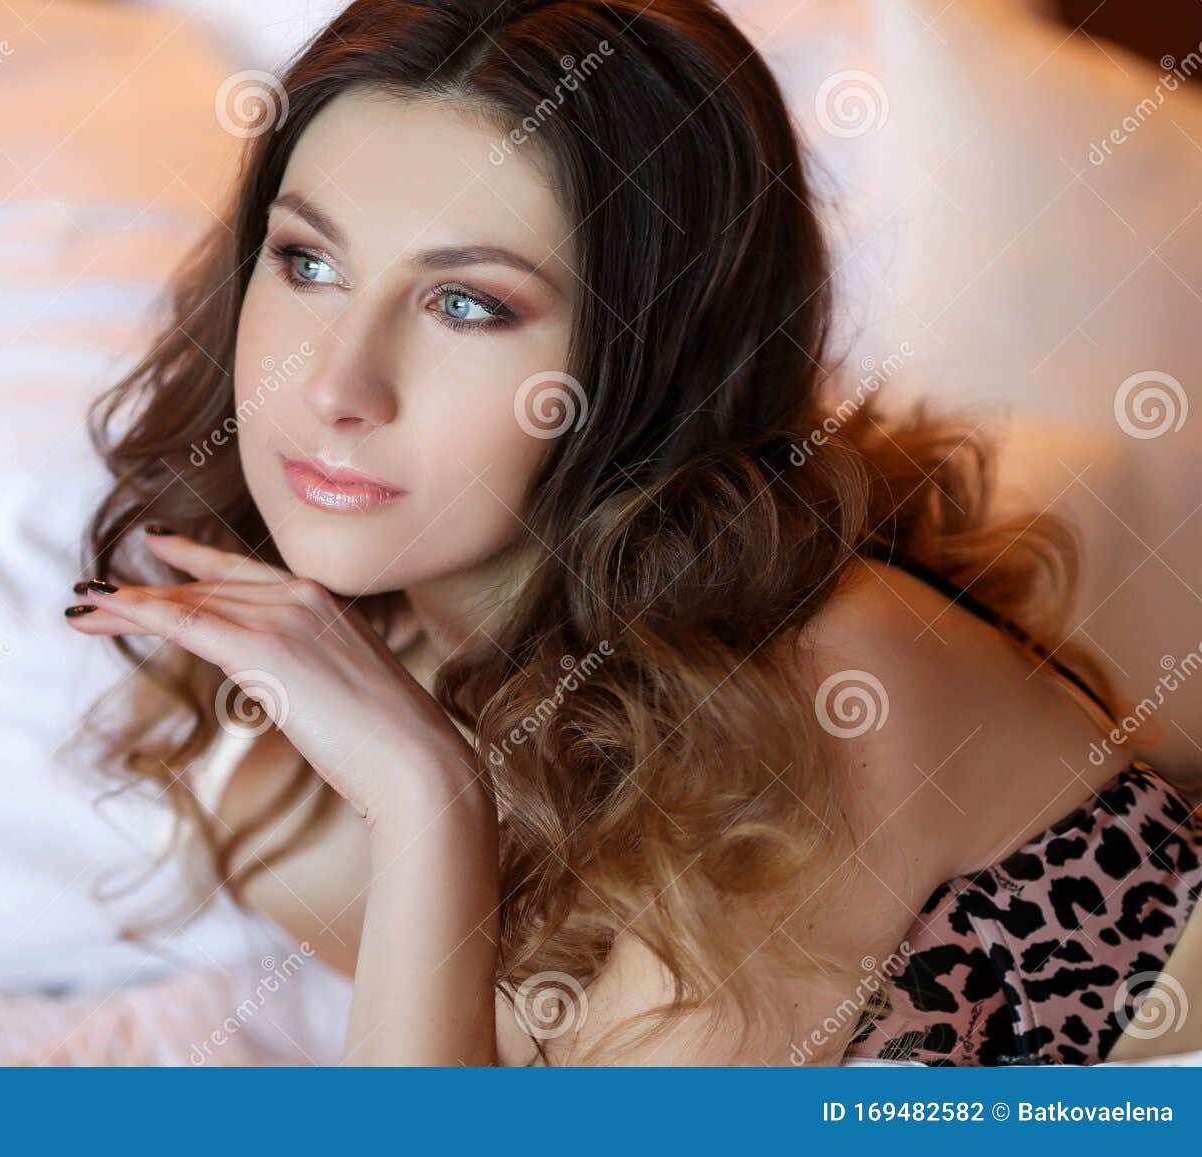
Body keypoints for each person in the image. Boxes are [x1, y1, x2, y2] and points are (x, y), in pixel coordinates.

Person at [64, 0, 1202, 1065]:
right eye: (308, 262)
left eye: (467, 304)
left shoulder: (820, 693)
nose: (336, 386)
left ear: (649, 361)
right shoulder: (304, 783)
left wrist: (427, 802)